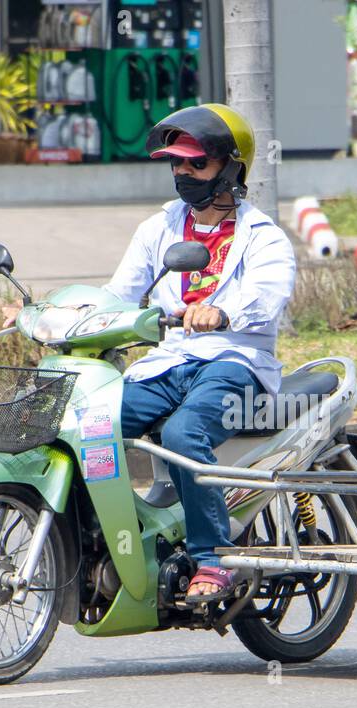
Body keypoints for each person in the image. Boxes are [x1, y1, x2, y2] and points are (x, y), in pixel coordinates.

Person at [101, 103, 296, 601]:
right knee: (92, 422)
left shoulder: (264, 236)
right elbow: (118, 295)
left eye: (196, 163)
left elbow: (267, 295)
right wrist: (49, 313)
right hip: (169, 361)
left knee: (186, 432)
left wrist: (223, 311)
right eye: (177, 163)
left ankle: (214, 558)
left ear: (230, 168)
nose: (183, 173)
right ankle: (109, 536)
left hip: (236, 363)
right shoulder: (160, 226)